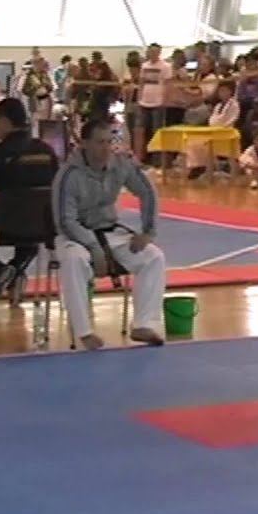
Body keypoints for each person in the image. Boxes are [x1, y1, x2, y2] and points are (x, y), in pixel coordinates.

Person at [52, 118, 166, 350]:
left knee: (153, 257)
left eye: (108, 142)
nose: (105, 148)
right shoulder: (68, 175)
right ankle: (84, 332)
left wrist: (148, 232)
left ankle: (143, 324)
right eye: (98, 142)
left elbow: (148, 192)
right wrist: (94, 247)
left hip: (110, 232)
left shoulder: (120, 164)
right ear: (83, 144)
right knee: (74, 260)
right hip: (74, 236)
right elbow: (66, 221)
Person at [0, 98, 59, 298]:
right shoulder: (47, 151)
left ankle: (0, 271)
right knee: (31, 232)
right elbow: (59, 189)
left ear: (5, 121)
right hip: (43, 228)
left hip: (4, 226)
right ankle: (16, 268)